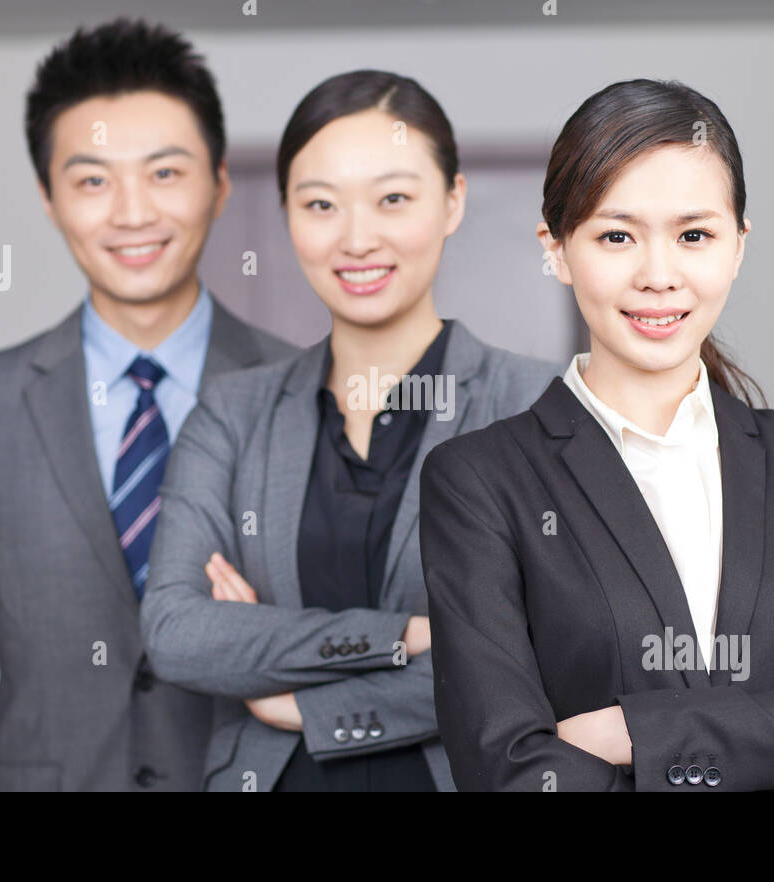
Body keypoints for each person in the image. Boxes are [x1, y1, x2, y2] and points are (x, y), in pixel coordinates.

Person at [418, 78, 774, 791]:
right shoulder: (479, 480)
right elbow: (503, 769)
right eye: (616, 236)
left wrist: (630, 733)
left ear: (738, 245)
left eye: (694, 235)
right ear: (557, 250)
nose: (659, 276)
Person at [0, 19, 297, 792]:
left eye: (164, 173)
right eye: (92, 180)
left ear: (218, 184)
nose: (131, 212)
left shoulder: (304, 390)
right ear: (49, 198)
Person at [140, 70, 560, 792]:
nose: (357, 238)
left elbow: (550, 652)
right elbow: (177, 633)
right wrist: (404, 638)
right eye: (321, 204)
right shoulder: (232, 414)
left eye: (393, 198)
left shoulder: (538, 406)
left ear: (452, 200)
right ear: (287, 213)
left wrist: (299, 699)